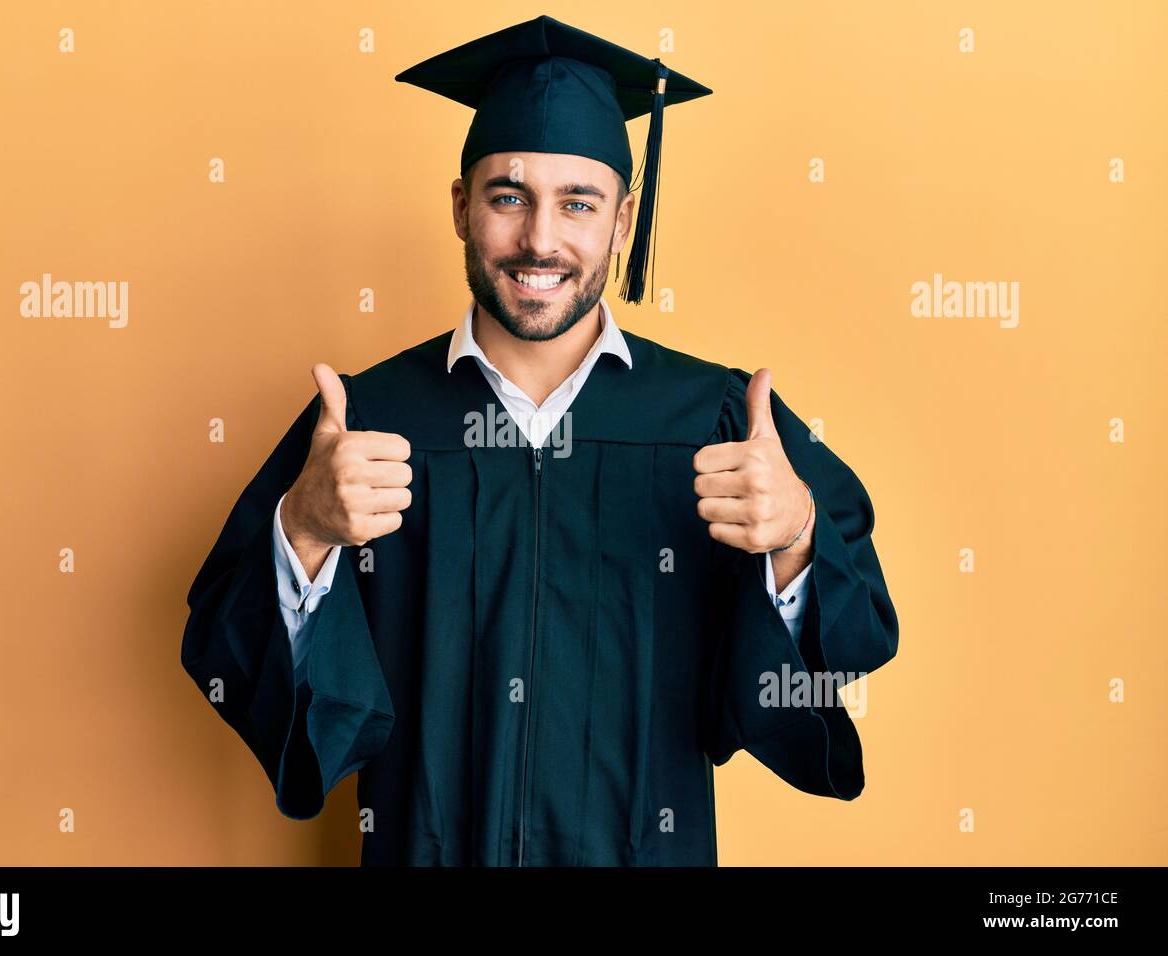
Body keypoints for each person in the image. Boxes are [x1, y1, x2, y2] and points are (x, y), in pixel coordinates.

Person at [181, 14, 899, 866]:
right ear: (460, 207)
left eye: (578, 204)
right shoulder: (366, 421)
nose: (541, 240)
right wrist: (299, 533)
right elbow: (231, 651)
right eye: (509, 197)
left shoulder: (717, 421)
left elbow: (839, 658)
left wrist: (797, 544)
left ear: (623, 221)